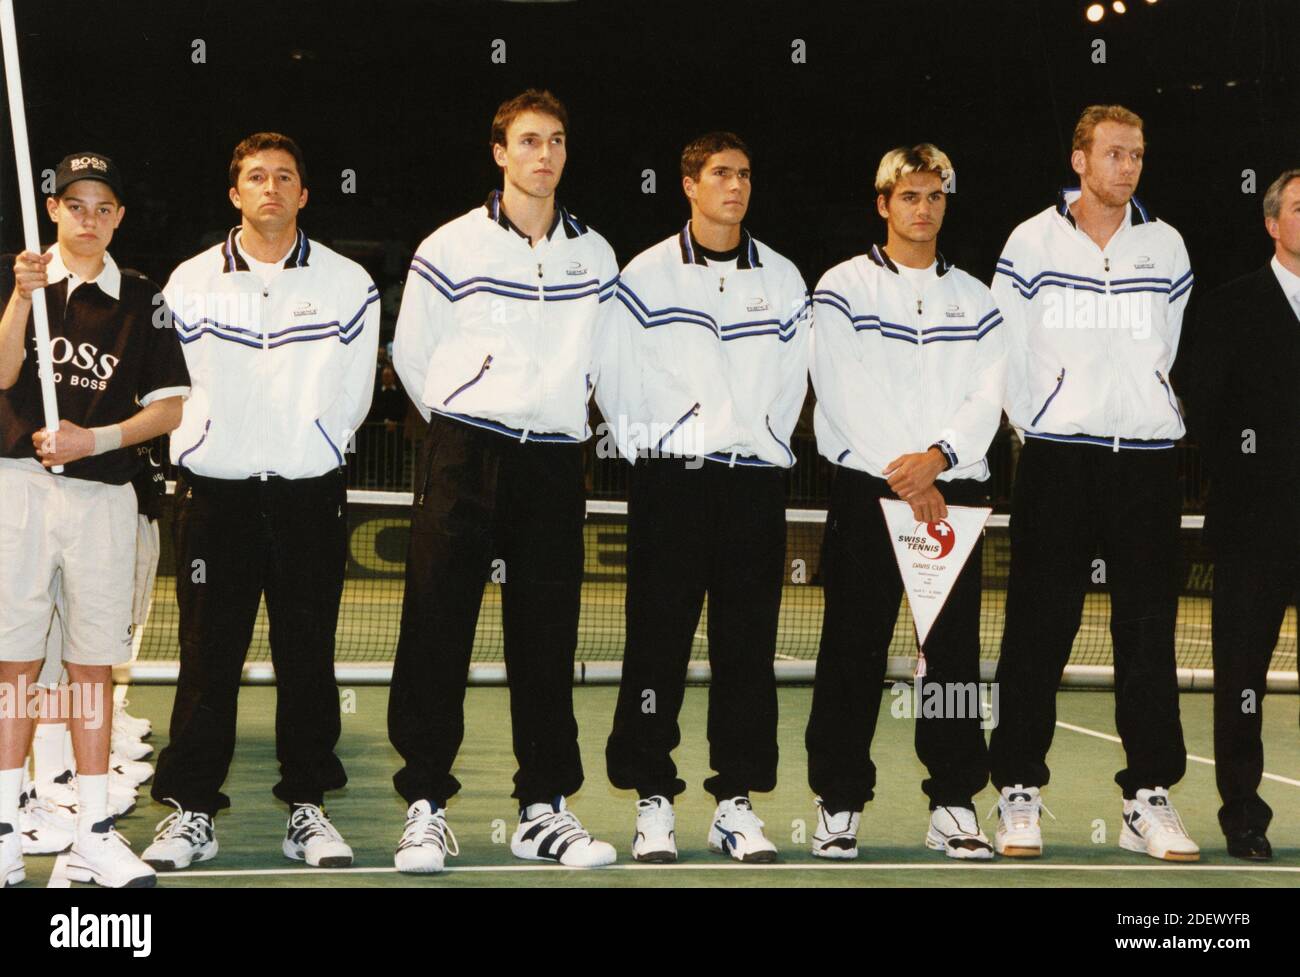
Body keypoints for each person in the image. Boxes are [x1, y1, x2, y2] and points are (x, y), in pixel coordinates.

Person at [388, 90, 619, 873]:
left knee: (547, 638)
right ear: (500, 152)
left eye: (556, 140)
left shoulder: (596, 254)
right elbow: (413, 356)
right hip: (465, 452)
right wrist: (467, 418)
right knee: (435, 630)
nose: (544, 155)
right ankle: (425, 803)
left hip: (555, 460)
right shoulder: (449, 246)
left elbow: (606, 362)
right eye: (528, 141)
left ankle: (544, 806)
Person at [143, 133, 379, 872]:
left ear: (305, 194)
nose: (270, 188)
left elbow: (355, 391)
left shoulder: (349, 284)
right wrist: (203, 442)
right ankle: (190, 811)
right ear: (234, 193)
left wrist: (316, 443)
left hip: (310, 496)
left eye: (285, 177)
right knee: (207, 659)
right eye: (255, 177)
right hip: (215, 497)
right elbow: (168, 387)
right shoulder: (186, 283)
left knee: (308, 660)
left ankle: (307, 807)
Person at [988, 105, 1199, 861]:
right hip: (1057, 459)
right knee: (1038, 629)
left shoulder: (1166, 246)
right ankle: (1017, 790)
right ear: (1079, 159)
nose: (1128, 167)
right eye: (1113, 153)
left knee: (1148, 634)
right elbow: (1004, 346)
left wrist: (1132, 406)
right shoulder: (1029, 241)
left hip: (1144, 463)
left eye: (1137, 155)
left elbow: (1163, 344)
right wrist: (1042, 417)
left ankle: (1149, 797)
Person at [596, 131, 810, 863]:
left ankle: (736, 803)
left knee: (745, 651)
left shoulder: (781, 278)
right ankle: (652, 798)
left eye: (745, 174)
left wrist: (758, 438)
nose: (736, 186)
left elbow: (793, 376)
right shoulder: (647, 274)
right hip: (671, 484)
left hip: (752, 483)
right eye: (721, 174)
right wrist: (655, 448)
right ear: (688, 184)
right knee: (656, 646)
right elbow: (616, 375)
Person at [804, 144, 1006, 859]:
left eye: (935, 197)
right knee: (852, 650)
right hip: (872, 493)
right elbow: (841, 382)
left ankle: (953, 801)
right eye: (909, 196)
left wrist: (939, 459)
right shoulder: (840, 287)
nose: (923, 210)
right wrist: (909, 472)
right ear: (883, 202)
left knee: (950, 658)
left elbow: (990, 392)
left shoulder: (979, 299)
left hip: (953, 493)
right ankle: (839, 802)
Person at [0, 152, 190, 888]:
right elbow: (3, 375)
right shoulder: (21, 277)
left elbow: (170, 407)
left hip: (103, 494)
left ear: (117, 218)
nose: (87, 217)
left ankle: (92, 833)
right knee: (15, 664)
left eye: (101, 206)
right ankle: (8, 833)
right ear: (51, 209)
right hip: (20, 486)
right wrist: (21, 298)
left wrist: (93, 439)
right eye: (74, 203)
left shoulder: (144, 298)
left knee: (89, 667)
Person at [1176, 168, 1300, 861]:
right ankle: (1243, 814)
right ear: (1272, 221)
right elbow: (1210, 417)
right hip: (1254, 529)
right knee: (1242, 680)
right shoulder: (1228, 307)